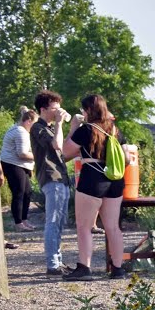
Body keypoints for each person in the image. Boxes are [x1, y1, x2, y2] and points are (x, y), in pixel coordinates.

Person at [61, 94, 126, 280]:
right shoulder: (114, 130)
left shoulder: (86, 130)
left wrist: (73, 127)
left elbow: (66, 153)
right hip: (114, 179)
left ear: (88, 110)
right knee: (113, 227)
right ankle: (118, 268)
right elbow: (127, 156)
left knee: (84, 226)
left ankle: (84, 268)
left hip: (92, 178)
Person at [32, 89, 72, 275]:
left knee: (60, 223)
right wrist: (58, 123)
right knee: (53, 222)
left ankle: (57, 260)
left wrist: (72, 126)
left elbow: (63, 148)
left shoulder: (50, 127)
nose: (58, 111)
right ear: (43, 109)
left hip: (61, 178)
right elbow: (56, 144)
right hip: (51, 177)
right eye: (54, 108)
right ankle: (52, 264)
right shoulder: (37, 128)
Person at [0, 106, 39, 231]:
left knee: (27, 193)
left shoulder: (20, 130)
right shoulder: (20, 132)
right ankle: (18, 223)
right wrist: (40, 156)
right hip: (13, 165)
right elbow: (22, 153)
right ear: (28, 121)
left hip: (20, 165)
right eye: (34, 124)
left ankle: (24, 220)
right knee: (19, 192)